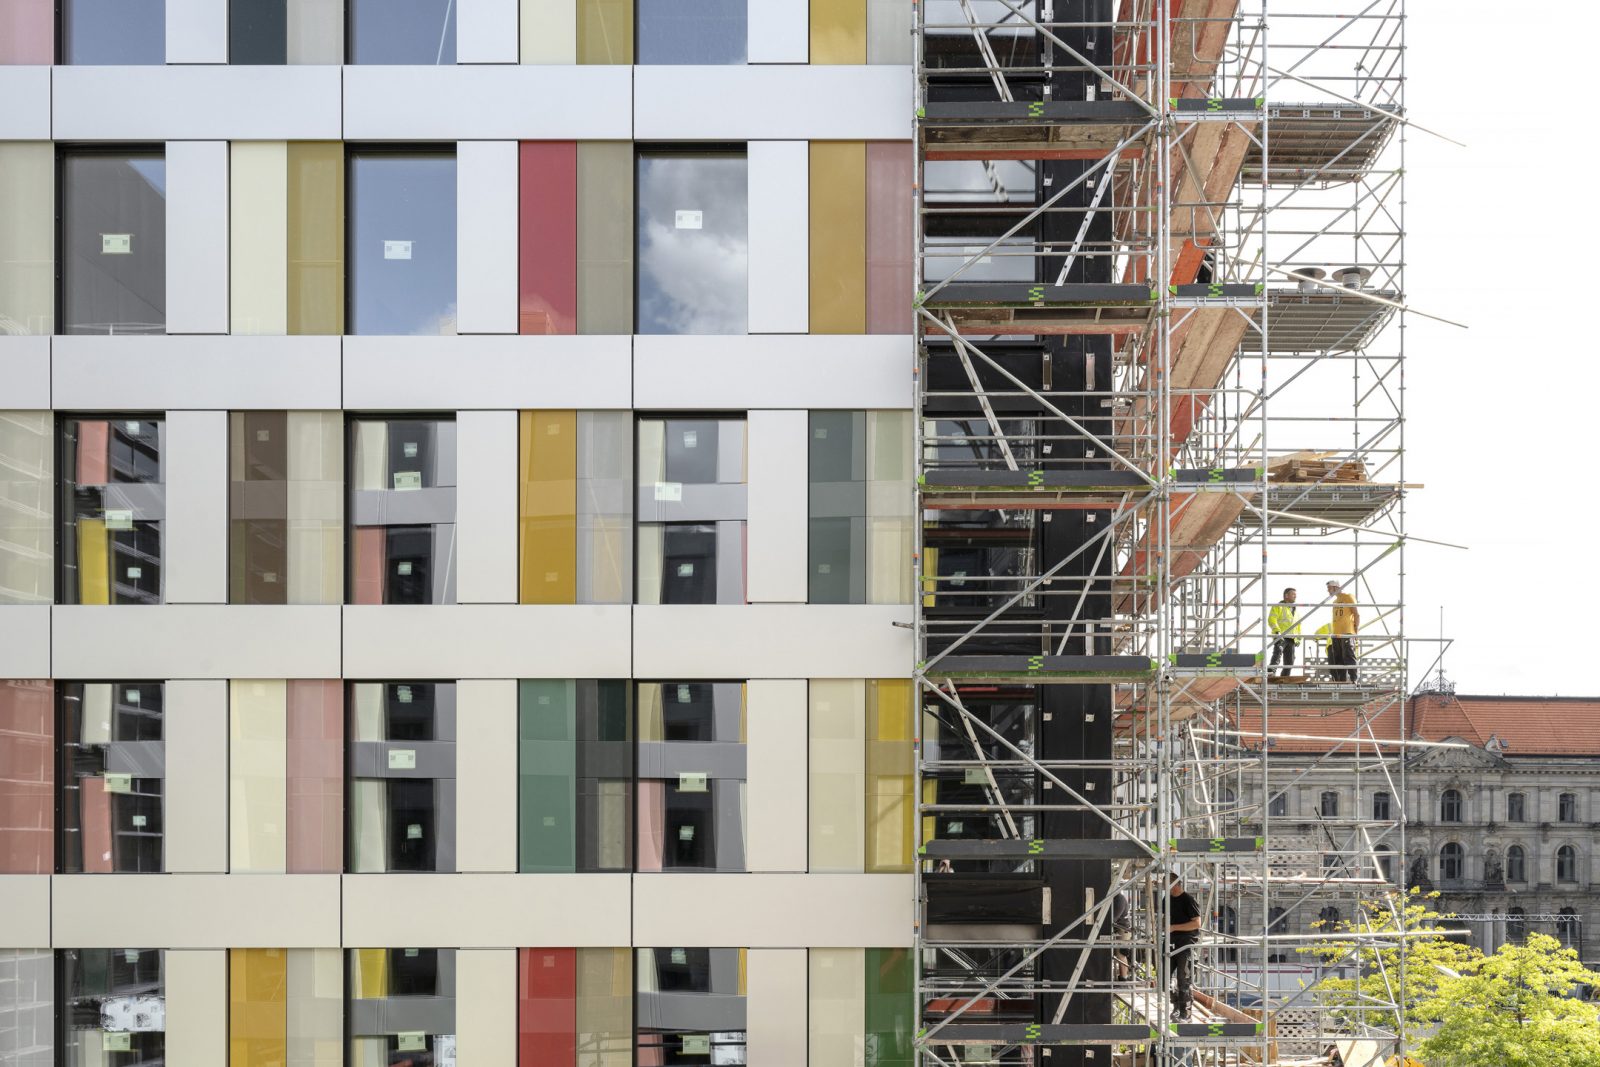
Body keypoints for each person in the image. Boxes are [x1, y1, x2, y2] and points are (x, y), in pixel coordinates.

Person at [1167, 875, 1203, 1019]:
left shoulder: (1188, 900)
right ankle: (1176, 1005)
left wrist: (1173, 927)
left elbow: (1197, 924)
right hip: (1171, 942)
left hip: (1187, 944)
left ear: (1175, 884)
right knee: (1164, 977)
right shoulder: (1167, 900)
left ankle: (1185, 1013)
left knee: (1184, 979)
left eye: (1166, 884)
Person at [1326, 580, 1359, 682]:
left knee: (1348, 655)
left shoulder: (1348, 596)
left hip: (1347, 632)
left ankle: (1354, 679)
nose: (1328, 591)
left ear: (1335, 587)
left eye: (1329, 588)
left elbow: (1356, 614)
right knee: (1338, 657)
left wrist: (1356, 630)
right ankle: (1341, 680)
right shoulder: (1335, 602)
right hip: (1336, 633)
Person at [1267, 587, 1300, 679]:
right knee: (1277, 656)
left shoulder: (1295, 609)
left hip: (1292, 638)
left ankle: (1285, 678)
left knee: (1290, 661)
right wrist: (1277, 631)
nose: (1295, 596)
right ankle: (1270, 675)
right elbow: (1271, 619)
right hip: (1281, 636)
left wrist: (1298, 638)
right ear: (1286, 596)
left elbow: (1298, 624)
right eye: (1293, 594)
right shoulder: (1278, 606)